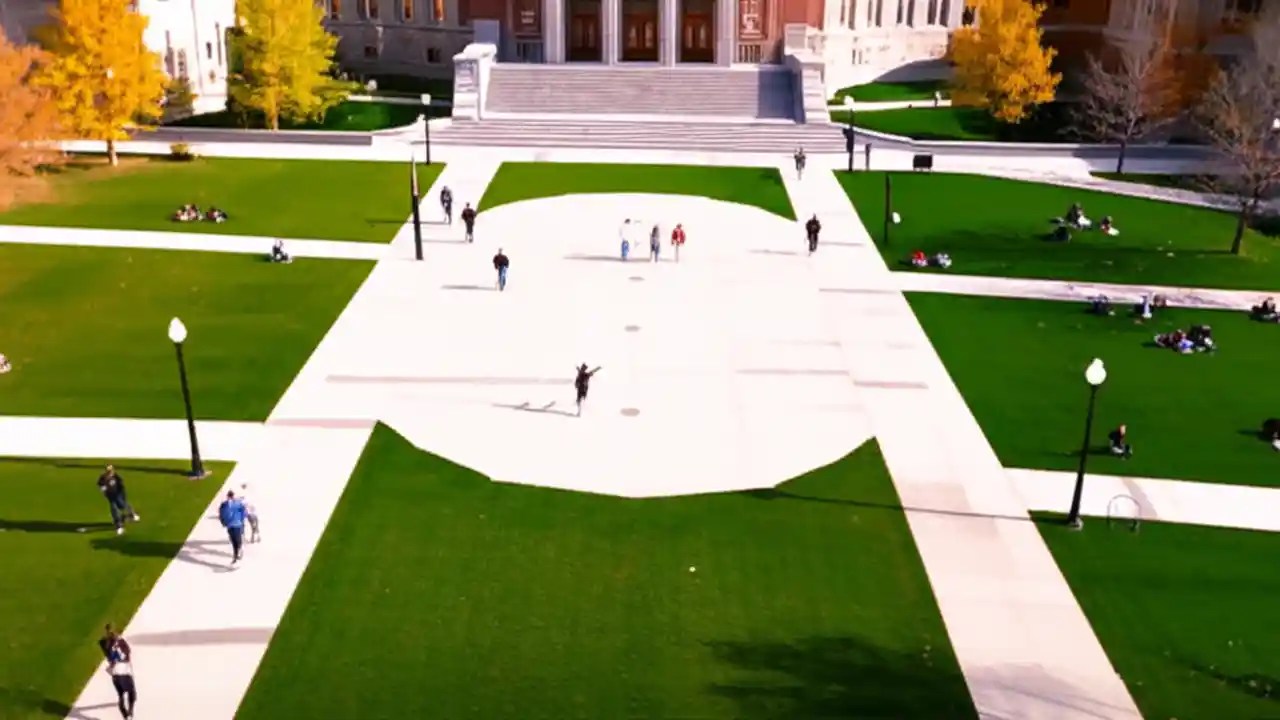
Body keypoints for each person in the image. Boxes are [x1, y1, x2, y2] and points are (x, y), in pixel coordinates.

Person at [99, 625, 137, 719]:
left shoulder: (105, 645)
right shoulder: (121, 643)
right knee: (132, 692)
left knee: (121, 694)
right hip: (124, 671)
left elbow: (104, 644)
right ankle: (130, 711)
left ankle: (125, 714)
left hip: (115, 674)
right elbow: (127, 651)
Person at [98, 465, 139, 536]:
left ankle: (132, 514)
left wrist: (123, 496)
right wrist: (103, 489)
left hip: (118, 494)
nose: (110, 472)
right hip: (111, 496)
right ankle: (119, 526)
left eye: (111, 471)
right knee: (114, 509)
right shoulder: (103, 478)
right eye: (108, 471)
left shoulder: (116, 477)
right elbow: (101, 485)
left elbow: (121, 487)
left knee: (122, 505)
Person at [218, 490, 247, 565]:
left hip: (236, 524)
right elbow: (221, 514)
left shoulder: (237, 503)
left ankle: (236, 556)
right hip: (230, 525)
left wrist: (241, 520)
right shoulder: (224, 504)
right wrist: (223, 522)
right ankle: (237, 553)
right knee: (233, 540)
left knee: (236, 540)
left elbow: (243, 512)